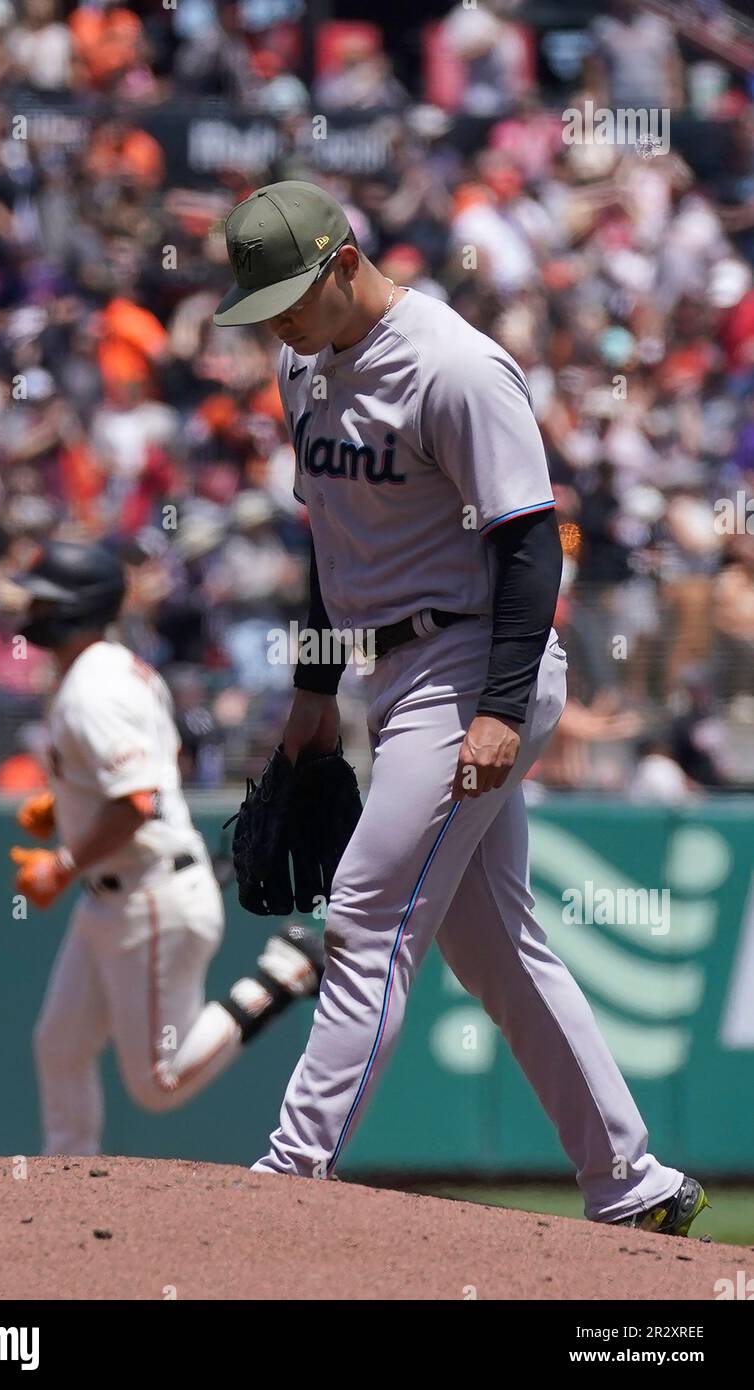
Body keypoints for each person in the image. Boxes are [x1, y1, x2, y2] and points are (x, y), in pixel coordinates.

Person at [212, 179, 708, 1235]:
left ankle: (291, 1169)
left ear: (345, 261)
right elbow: (329, 539)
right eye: (265, 310)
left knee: (365, 912)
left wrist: (498, 706)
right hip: (386, 675)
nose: (282, 323)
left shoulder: (455, 366)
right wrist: (311, 690)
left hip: (476, 665)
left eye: (293, 297)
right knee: (490, 944)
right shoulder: (301, 361)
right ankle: (629, 1180)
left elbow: (527, 549)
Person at [9, 540, 324, 1155]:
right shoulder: (107, 667)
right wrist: (69, 803)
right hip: (122, 891)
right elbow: (158, 763)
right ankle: (62, 1186)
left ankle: (285, 973)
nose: (30, 609)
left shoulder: (93, 688)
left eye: (43, 599)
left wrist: (62, 863)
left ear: (76, 607)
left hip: (147, 895)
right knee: (61, 1043)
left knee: (160, 1083)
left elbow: (137, 804)